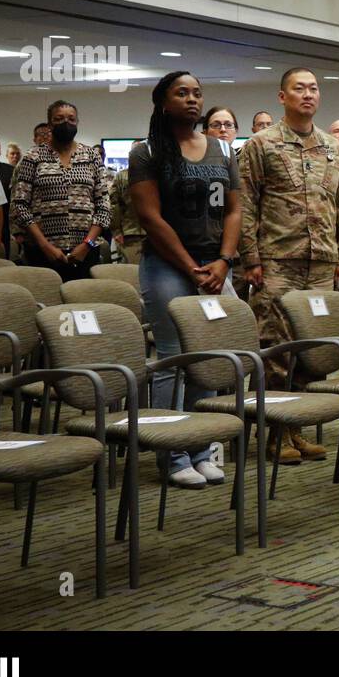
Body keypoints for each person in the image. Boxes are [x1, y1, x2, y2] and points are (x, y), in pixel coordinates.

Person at [130, 71, 242, 489]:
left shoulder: (222, 149)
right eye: (182, 93)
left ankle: (201, 447)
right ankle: (171, 452)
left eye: (197, 92)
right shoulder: (147, 151)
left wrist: (223, 261)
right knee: (173, 358)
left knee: (209, 359)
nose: (193, 99)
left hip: (214, 266)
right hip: (165, 265)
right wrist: (190, 266)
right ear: (163, 102)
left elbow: (233, 210)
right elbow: (149, 217)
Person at [239, 69, 339, 463]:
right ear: (282, 96)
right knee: (276, 348)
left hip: (321, 261)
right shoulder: (262, 144)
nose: (308, 95)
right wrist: (250, 258)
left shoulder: (332, 147)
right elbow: (246, 205)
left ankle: (296, 426)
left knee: (311, 350)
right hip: (276, 259)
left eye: (313, 88)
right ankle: (275, 433)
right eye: (299, 89)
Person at [11, 100, 110, 282]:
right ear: (50, 124)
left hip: (84, 251)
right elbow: (20, 205)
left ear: (77, 122)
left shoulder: (91, 156)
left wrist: (86, 245)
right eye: (59, 119)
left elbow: (103, 206)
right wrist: (45, 245)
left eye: (71, 119)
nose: (66, 123)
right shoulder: (33, 157)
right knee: (46, 303)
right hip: (42, 251)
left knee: (82, 303)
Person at [109, 140, 147, 264]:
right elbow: (114, 205)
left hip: (155, 234)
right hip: (130, 234)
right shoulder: (121, 176)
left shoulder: (155, 175)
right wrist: (116, 231)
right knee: (133, 274)